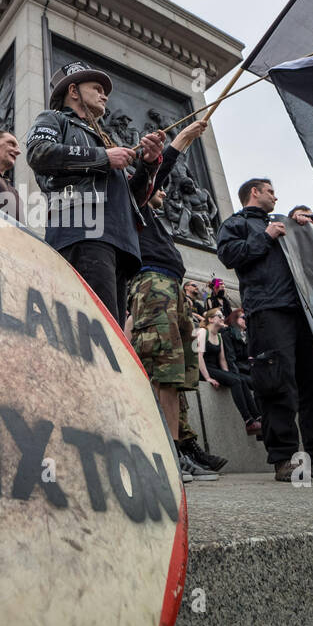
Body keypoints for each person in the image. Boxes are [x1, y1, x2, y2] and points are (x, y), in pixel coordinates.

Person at [215, 177, 313, 481]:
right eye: (270, 191)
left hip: (305, 311)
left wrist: (307, 228)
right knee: (276, 383)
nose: (276, 195)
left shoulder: (283, 222)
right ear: (255, 192)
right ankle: (284, 458)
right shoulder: (236, 224)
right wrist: (266, 237)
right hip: (268, 310)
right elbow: (229, 256)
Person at [25, 61, 164, 325]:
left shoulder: (107, 140)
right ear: (74, 91)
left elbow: (135, 197)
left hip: (120, 243)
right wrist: (102, 157)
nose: (105, 95)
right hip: (83, 233)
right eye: (97, 88)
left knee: (111, 332)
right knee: (95, 330)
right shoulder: (53, 119)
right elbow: (38, 153)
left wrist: (149, 163)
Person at [125, 117, 225, 478]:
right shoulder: (132, 205)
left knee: (177, 376)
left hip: (171, 288)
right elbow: (160, 170)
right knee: (162, 371)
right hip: (153, 286)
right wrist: (182, 138)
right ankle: (164, 455)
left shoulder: (155, 220)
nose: (165, 194)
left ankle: (179, 447)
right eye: (159, 189)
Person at [195, 307, 259, 435]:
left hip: (215, 368)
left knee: (239, 379)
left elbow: (223, 360)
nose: (222, 317)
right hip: (203, 369)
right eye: (219, 315)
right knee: (235, 380)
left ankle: (257, 417)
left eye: (222, 315)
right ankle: (248, 421)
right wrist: (207, 377)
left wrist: (227, 375)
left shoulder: (218, 336)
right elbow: (199, 357)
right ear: (211, 319)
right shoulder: (202, 332)